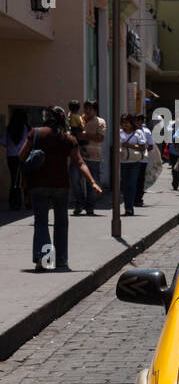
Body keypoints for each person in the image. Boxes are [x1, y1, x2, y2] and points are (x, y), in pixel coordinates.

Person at [18, 107, 101, 270]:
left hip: (38, 184)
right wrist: (92, 182)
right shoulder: (68, 138)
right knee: (61, 222)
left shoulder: (36, 133)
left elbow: (21, 156)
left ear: (45, 118)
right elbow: (80, 162)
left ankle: (45, 259)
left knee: (41, 222)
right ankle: (62, 259)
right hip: (61, 185)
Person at [73, 100, 106, 216]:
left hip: (94, 156)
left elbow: (100, 138)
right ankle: (79, 202)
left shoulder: (100, 121)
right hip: (77, 154)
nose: (87, 111)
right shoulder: (78, 119)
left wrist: (85, 135)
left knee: (91, 182)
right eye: (86, 108)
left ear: (95, 110)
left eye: (90, 109)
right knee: (74, 180)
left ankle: (90, 206)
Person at [118, 114, 147, 216]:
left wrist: (129, 145)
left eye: (127, 122)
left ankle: (129, 207)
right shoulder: (120, 133)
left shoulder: (138, 133)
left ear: (131, 123)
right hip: (123, 162)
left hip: (135, 162)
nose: (125, 124)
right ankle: (127, 206)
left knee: (131, 184)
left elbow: (143, 147)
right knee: (125, 186)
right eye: (123, 122)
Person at [4, 109, 28, 210]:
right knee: (25, 179)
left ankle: (14, 203)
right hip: (23, 155)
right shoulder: (26, 128)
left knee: (14, 180)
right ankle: (27, 202)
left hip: (11, 157)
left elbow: (3, 142)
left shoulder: (8, 129)